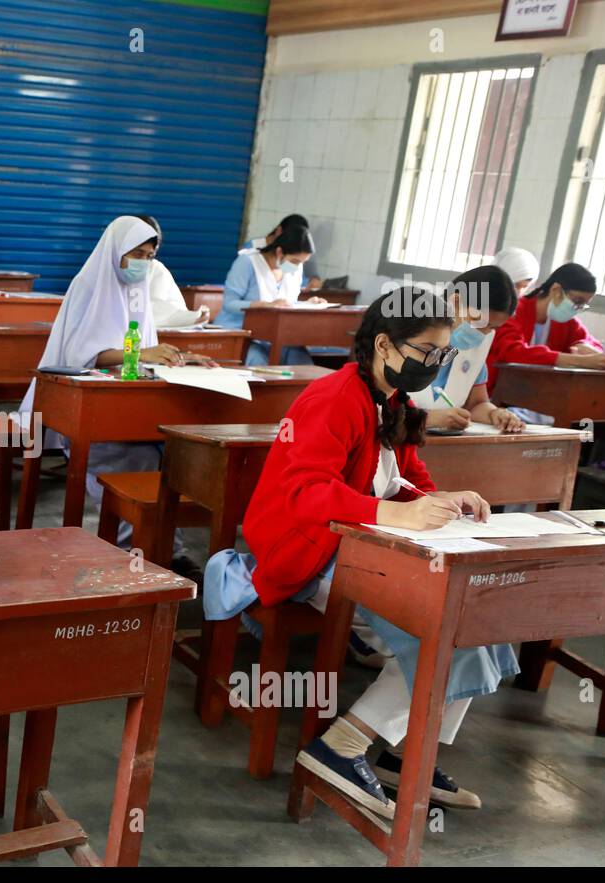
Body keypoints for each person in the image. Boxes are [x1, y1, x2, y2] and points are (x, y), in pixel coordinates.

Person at [205, 286, 512, 816]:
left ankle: (400, 747)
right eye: (427, 354)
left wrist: (441, 501)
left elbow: (405, 480)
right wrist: (395, 514)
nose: (435, 366)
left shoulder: (393, 400)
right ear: (386, 347)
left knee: (481, 621)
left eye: (443, 356)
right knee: (448, 637)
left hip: (356, 545)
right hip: (309, 554)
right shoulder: (333, 398)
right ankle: (341, 746)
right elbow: (307, 494)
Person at [21, 215, 213, 569]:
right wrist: (139, 355)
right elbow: (81, 355)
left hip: (129, 403)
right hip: (85, 405)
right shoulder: (88, 286)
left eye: (148, 256)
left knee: (171, 452)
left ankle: (169, 549)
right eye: (135, 253)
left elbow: (147, 351)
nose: (142, 263)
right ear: (116, 251)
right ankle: (135, 550)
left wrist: (180, 359)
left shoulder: (137, 290)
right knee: (136, 459)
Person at [412, 265, 525, 433]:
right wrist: (427, 419)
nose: (483, 333)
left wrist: (495, 413)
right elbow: (377, 407)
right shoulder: (408, 336)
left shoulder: (476, 347)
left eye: (492, 327)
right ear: (456, 302)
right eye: (480, 322)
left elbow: (476, 404)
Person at [486, 262, 605, 396]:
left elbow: (589, 341)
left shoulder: (565, 321)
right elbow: (512, 352)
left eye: (583, 305)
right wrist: (579, 361)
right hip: (498, 391)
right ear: (556, 290)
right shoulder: (514, 311)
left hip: (539, 393)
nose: (577, 308)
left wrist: (585, 347)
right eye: (577, 301)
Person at [220, 225, 326, 364]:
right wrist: (265, 305)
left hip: (276, 334)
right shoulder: (247, 262)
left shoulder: (293, 268)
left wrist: (308, 304)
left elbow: (287, 304)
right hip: (242, 333)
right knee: (257, 361)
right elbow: (229, 304)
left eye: (302, 262)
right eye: (295, 261)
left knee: (302, 363)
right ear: (280, 252)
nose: (297, 266)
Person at [136, 214, 210, 329]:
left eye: (150, 255)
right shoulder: (106, 270)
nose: (143, 261)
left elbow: (154, 313)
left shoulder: (156, 270)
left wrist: (193, 318)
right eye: (138, 253)